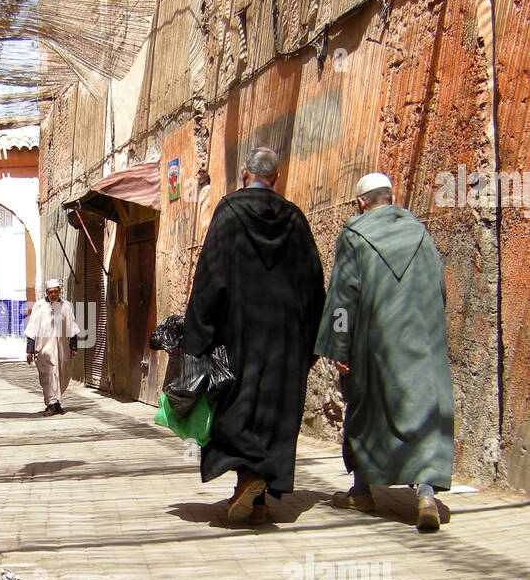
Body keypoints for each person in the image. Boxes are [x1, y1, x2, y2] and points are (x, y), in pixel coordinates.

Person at [183, 147, 325, 523]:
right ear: (276, 178)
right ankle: (256, 496)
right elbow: (315, 285)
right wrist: (312, 344)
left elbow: (210, 279)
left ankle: (252, 477)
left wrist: (197, 338)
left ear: (243, 173)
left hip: (237, 337)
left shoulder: (228, 213)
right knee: (273, 418)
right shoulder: (296, 220)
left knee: (233, 416)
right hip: (286, 343)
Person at [314, 172, 453, 531]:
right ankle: (424, 493)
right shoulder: (420, 232)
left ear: (361, 203)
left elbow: (344, 297)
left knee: (363, 408)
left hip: (373, 345)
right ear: (392, 198)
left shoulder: (355, 235)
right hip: (421, 341)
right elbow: (438, 286)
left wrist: (339, 343)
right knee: (422, 408)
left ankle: (361, 491)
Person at [25, 279, 81, 415]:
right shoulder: (39, 306)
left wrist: (74, 347)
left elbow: (71, 328)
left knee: (61, 376)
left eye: (56, 292)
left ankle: (56, 402)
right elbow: (32, 329)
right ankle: (50, 404)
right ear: (47, 292)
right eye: (51, 292)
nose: (53, 294)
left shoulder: (66, 306)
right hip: (44, 350)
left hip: (62, 350)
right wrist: (29, 350)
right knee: (48, 376)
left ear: (59, 291)